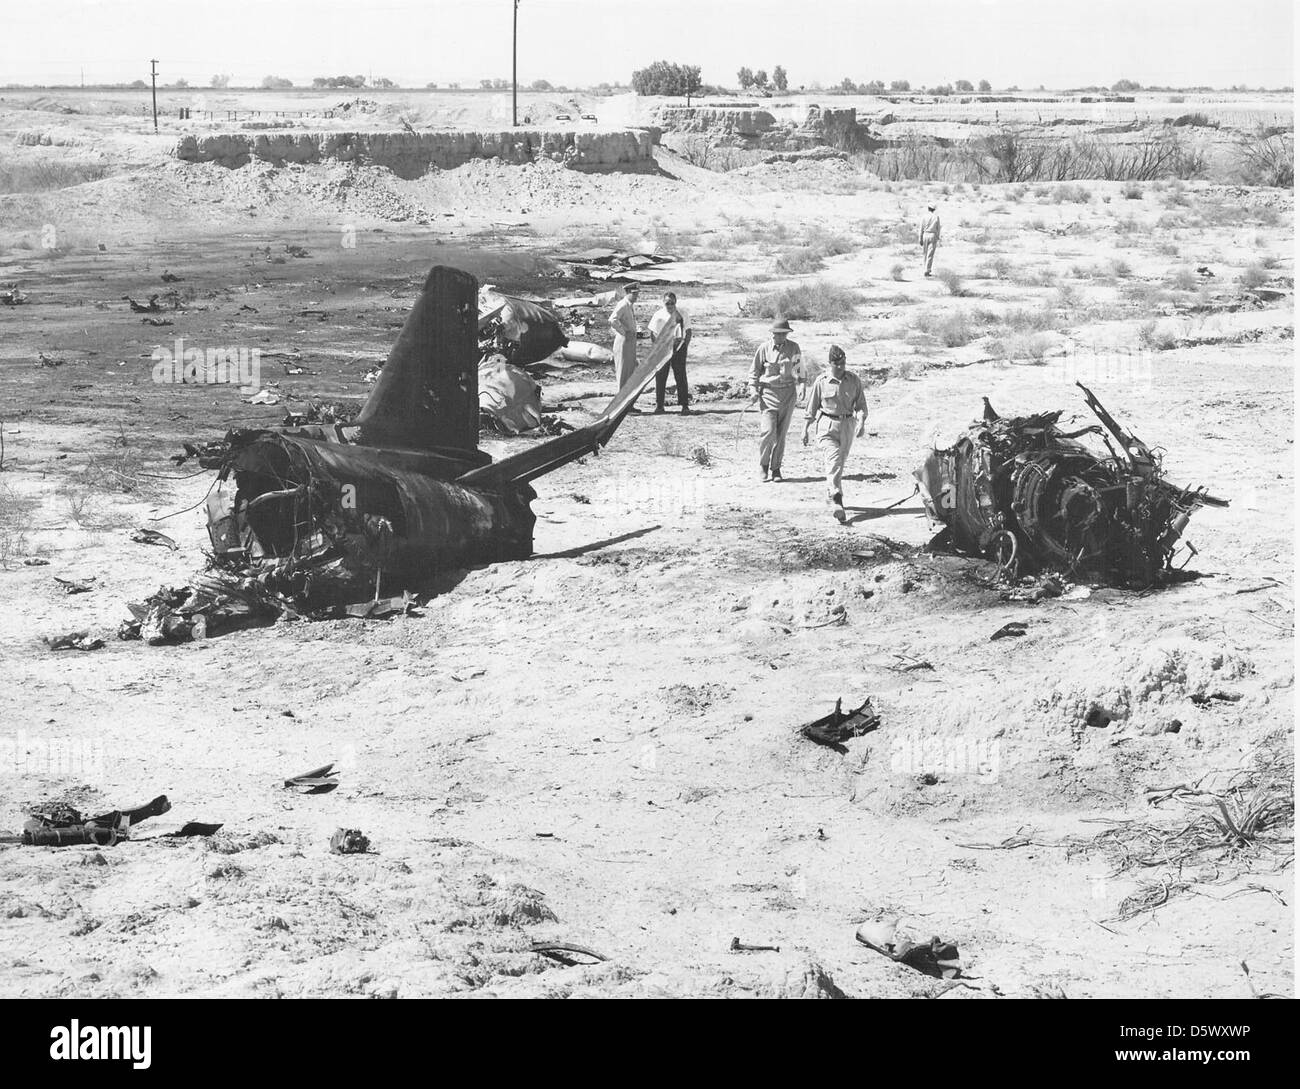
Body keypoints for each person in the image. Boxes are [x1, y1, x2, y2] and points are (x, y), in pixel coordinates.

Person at [802, 344, 867, 523]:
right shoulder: (821, 381)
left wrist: (861, 423)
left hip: (847, 425)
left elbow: (861, 405)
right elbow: (811, 408)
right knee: (834, 459)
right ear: (830, 363)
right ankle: (837, 499)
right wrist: (805, 430)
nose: (841, 367)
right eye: (837, 364)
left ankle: (831, 492)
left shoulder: (853, 380)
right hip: (827, 425)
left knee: (840, 462)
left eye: (843, 363)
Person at [750, 318, 805, 482]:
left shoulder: (793, 347)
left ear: (786, 334)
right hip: (768, 395)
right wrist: (753, 390)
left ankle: (776, 469)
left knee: (781, 435)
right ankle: (763, 465)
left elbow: (800, 371)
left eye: (782, 334)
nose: (778, 337)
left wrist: (802, 386)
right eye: (776, 334)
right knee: (768, 432)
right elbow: (754, 372)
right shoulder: (763, 349)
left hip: (788, 395)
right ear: (771, 334)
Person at [647, 291, 692, 414]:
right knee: (661, 377)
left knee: (681, 376)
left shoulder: (682, 314)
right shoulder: (659, 315)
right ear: (663, 303)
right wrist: (657, 349)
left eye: (672, 303)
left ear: (675, 302)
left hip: (679, 348)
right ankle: (660, 405)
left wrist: (684, 347)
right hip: (663, 349)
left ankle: (684, 405)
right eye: (667, 303)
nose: (670, 306)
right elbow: (652, 332)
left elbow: (688, 331)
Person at [608, 283, 640, 406]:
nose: (636, 296)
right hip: (623, 342)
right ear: (628, 292)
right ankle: (621, 404)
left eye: (637, 293)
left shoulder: (629, 305)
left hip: (630, 341)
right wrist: (624, 332)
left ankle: (627, 404)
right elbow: (612, 320)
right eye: (634, 294)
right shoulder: (622, 304)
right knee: (623, 373)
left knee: (629, 372)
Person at [918, 202, 941, 277]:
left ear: (928, 208)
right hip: (932, 235)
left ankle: (925, 268)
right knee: (930, 254)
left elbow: (921, 228)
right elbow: (938, 228)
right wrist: (937, 237)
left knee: (925, 253)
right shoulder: (936, 217)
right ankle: (927, 270)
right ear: (934, 209)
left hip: (925, 234)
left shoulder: (924, 216)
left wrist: (920, 238)